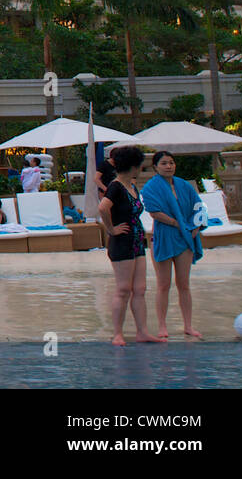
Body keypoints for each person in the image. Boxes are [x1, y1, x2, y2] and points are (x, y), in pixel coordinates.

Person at [99, 145, 163, 346]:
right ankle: (117, 333)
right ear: (133, 166)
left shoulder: (132, 186)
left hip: (137, 241)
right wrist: (111, 229)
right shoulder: (116, 186)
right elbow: (103, 208)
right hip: (122, 242)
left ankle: (142, 331)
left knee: (140, 288)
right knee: (124, 289)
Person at [141, 151, 203, 340]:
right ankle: (162, 326)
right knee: (163, 284)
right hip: (165, 236)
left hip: (185, 238)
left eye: (171, 163)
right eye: (164, 163)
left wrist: (195, 227)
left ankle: (188, 325)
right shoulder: (151, 187)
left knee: (184, 284)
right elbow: (154, 212)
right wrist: (178, 224)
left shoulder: (184, 185)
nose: (169, 166)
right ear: (156, 167)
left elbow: (199, 207)